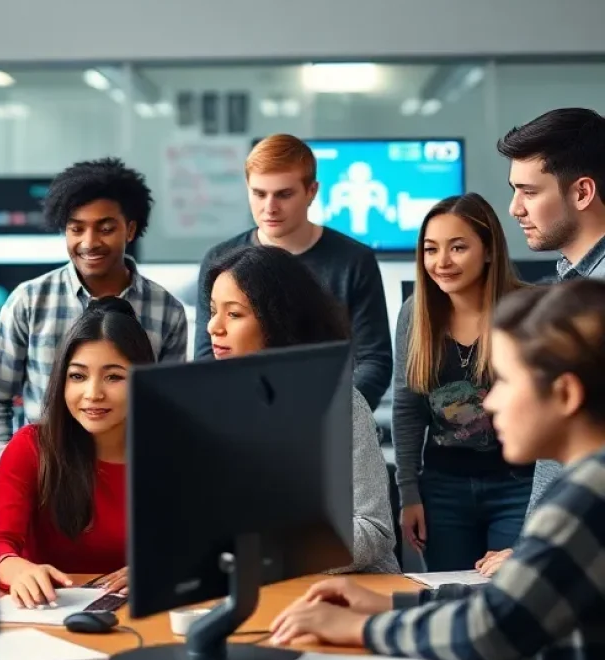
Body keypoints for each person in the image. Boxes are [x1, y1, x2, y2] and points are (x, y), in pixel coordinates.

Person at [270, 280, 605, 660]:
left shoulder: (586, 498)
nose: (489, 403)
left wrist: (361, 630)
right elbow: (516, 599)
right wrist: (391, 604)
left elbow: (492, 628)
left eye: (504, 381)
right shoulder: (587, 484)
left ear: (564, 394)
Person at [205, 245, 398, 574]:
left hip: (351, 588)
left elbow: (374, 529)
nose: (214, 327)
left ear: (276, 322)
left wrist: (276, 552)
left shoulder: (338, 404)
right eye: (213, 311)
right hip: (264, 585)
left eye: (234, 314)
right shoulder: (214, 406)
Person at [478, 107, 605, 576]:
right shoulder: (572, 282)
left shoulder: (595, 301)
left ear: (582, 192)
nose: (515, 209)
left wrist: (542, 553)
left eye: (529, 192)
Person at [0, 158, 187, 454]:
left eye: (105, 229)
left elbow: (168, 409)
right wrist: (6, 460)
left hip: (128, 467)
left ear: (130, 230)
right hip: (44, 468)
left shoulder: (167, 312)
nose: (89, 242)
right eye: (76, 229)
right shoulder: (28, 300)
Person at [195, 135, 392, 411]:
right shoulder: (220, 260)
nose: (269, 207)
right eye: (259, 194)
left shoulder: (354, 261)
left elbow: (374, 359)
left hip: (331, 412)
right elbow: (207, 357)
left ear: (312, 191)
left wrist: (334, 411)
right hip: (243, 413)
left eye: (284, 194)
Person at [394, 193, 532, 571]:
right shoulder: (415, 314)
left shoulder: (528, 309)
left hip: (518, 485)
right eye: (431, 249)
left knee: (512, 588)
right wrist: (409, 494)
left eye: (457, 247)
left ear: (488, 251)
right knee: (450, 593)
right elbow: (407, 409)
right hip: (443, 490)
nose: (442, 262)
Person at [0, 298, 155, 608]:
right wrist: (19, 571)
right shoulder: (31, 447)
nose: (93, 393)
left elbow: (205, 549)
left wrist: (160, 570)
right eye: (78, 376)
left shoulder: (172, 454)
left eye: (114, 377)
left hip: (141, 612)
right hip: (50, 612)